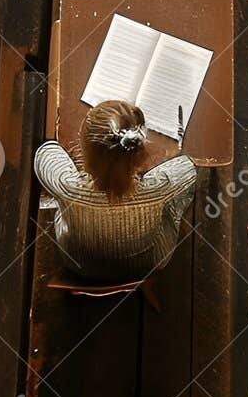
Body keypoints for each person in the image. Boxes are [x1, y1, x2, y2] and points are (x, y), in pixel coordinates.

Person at [33, 101, 197, 278]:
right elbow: (189, 168)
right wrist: (172, 158)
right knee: (178, 197)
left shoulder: (66, 184)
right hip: (147, 263)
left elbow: (46, 152)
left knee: (59, 204)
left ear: (84, 151)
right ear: (139, 152)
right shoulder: (159, 186)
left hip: (79, 262)